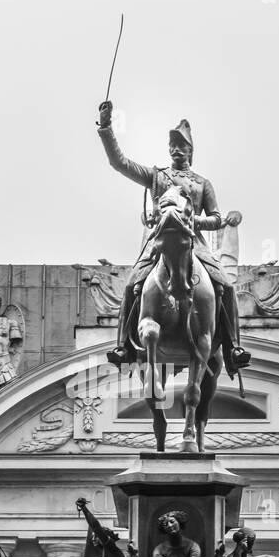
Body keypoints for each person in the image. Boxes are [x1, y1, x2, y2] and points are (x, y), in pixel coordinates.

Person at [96, 99, 252, 377]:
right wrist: (106, 128)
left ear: (190, 150)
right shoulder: (157, 177)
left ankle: (233, 349)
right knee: (132, 283)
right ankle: (123, 347)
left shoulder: (203, 183)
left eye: (182, 146)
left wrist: (194, 221)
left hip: (195, 243)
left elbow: (216, 218)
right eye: (173, 146)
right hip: (158, 243)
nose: (176, 150)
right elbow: (119, 163)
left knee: (226, 287)